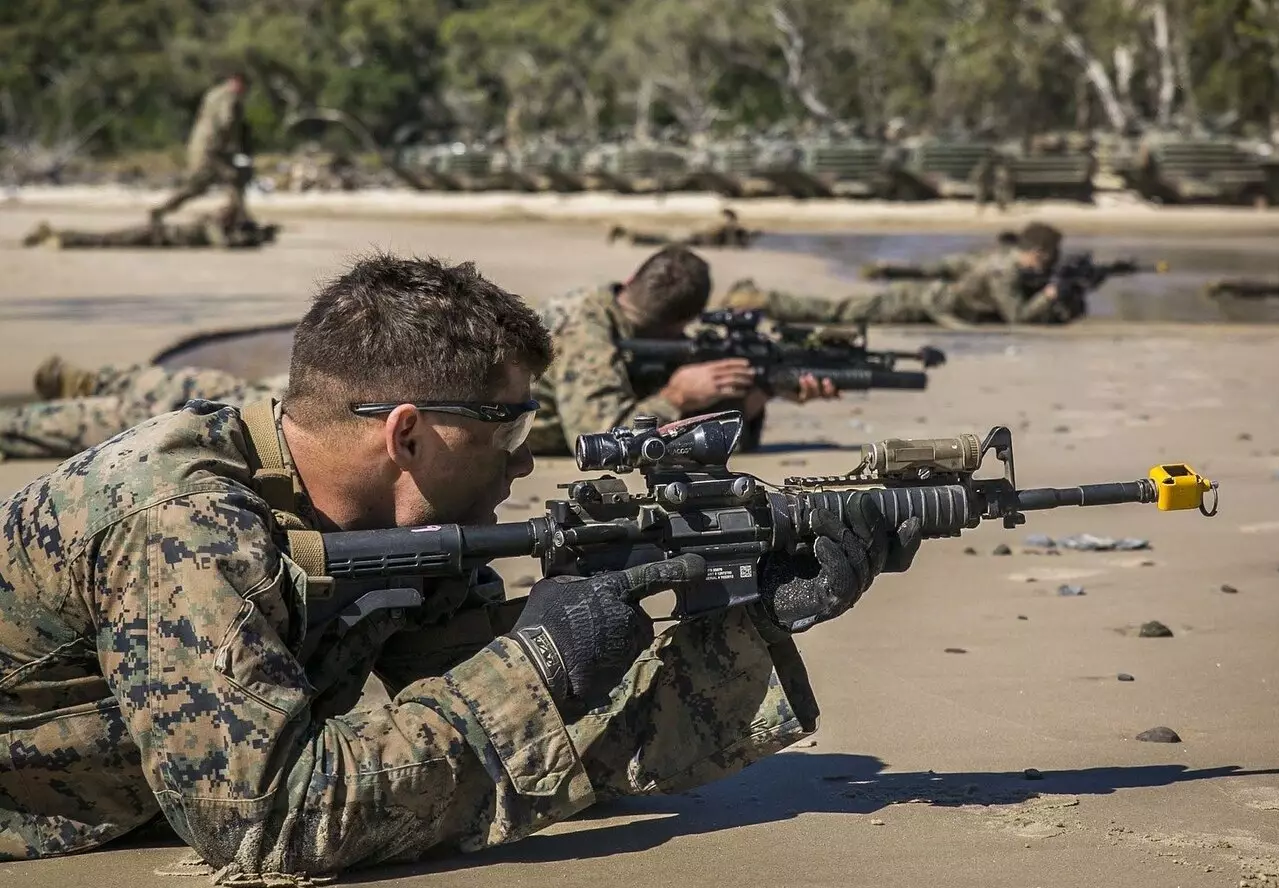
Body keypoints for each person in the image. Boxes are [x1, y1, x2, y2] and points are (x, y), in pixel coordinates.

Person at [0, 252, 924, 878]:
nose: (527, 458)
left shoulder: (409, 520)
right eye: (511, 426)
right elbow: (267, 820)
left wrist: (745, 620)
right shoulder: (183, 526)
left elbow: (504, 745)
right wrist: (539, 658)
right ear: (408, 432)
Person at [527, 246, 837, 457]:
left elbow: (687, 436)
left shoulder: (612, 307)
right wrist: (675, 398)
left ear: (631, 279)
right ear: (682, 324)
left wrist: (758, 393)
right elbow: (602, 442)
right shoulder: (584, 333)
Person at [720, 222, 1075, 328]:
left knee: (842, 310)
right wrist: (1049, 297)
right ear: (1038, 254)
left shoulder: (999, 257)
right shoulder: (1006, 272)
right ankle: (760, 300)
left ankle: (761, 298)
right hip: (919, 304)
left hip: (925, 297)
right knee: (839, 313)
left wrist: (892, 270)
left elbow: (946, 265)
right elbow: (1018, 318)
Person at [0, 358, 286, 460]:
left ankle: (12, 427)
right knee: (201, 383)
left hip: (271, 424)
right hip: (274, 396)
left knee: (155, 421)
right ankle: (93, 383)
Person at [149, 73, 253, 224]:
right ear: (237, 83)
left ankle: (239, 216)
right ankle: (241, 217)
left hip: (201, 145)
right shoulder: (230, 98)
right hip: (213, 148)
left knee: (205, 185)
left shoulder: (213, 93)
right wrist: (236, 144)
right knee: (226, 179)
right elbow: (226, 121)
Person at [19, 207, 279, 251]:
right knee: (106, 240)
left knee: (107, 239)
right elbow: (222, 243)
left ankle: (57, 235)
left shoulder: (212, 222)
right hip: (155, 234)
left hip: (156, 235)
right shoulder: (212, 224)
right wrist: (251, 240)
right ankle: (59, 236)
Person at [858, 230, 1019, 282]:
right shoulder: (1008, 255)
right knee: (923, 273)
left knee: (923, 273)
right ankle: (885, 270)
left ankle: (885, 270)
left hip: (962, 267)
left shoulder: (1004, 253)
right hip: (960, 267)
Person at [608, 208, 761, 248]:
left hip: (690, 235)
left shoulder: (717, 223)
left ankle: (629, 234)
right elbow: (735, 241)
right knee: (659, 240)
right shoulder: (726, 225)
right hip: (691, 238)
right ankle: (627, 232)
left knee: (658, 239)